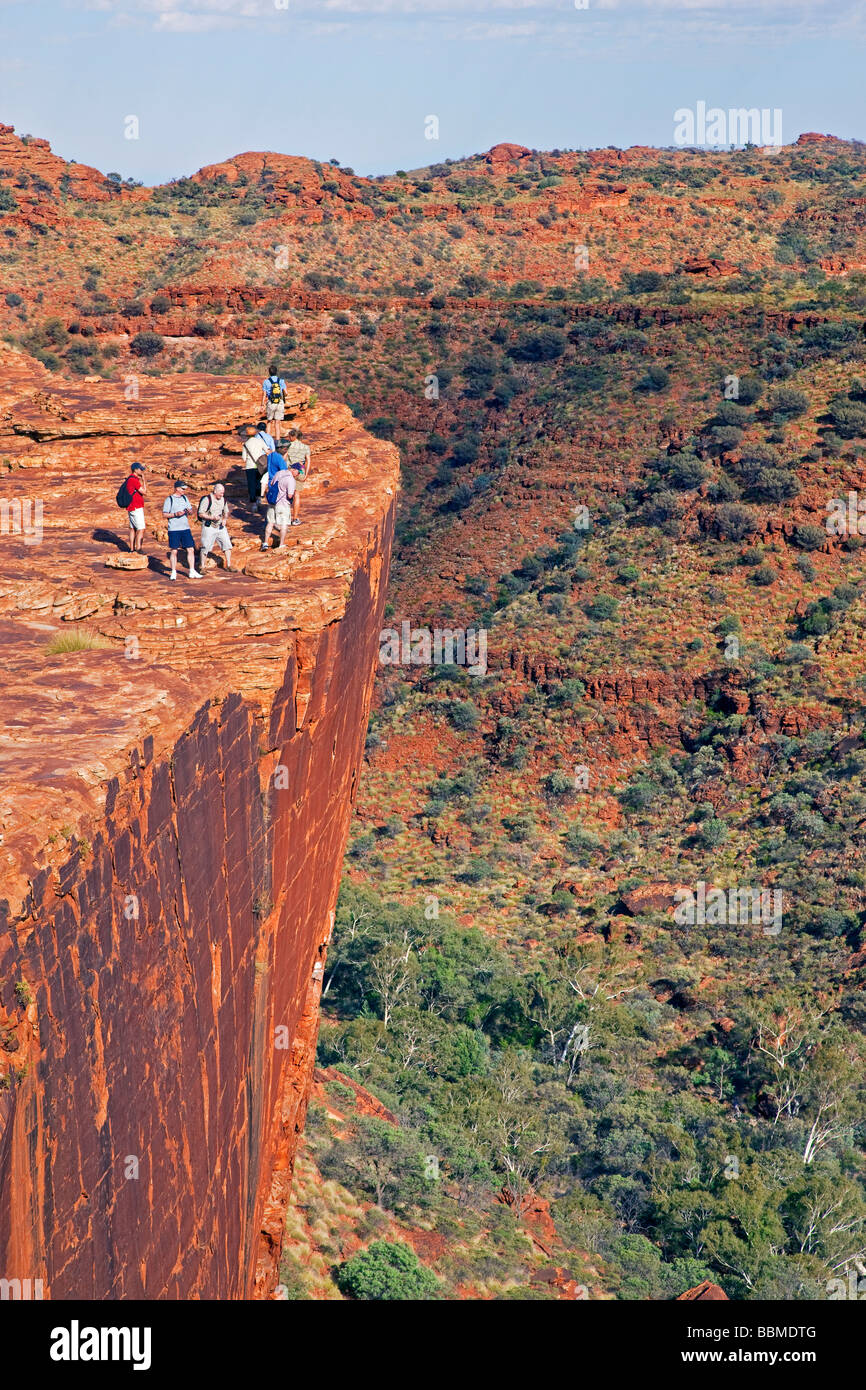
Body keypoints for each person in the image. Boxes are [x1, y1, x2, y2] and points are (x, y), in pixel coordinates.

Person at [162, 480, 200, 580]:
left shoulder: (184, 498)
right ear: (177, 488)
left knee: (190, 549)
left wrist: (190, 511)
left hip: (185, 528)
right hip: (174, 529)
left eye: (185, 489)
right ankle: (173, 572)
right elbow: (164, 514)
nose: (184, 490)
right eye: (183, 489)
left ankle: (192, 571)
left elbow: (190, 511)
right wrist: (175, 514)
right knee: (174, 551)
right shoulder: (169, 499)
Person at [197, 482, 232, 572]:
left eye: (223, 492)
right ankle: (202, 567)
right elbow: (200, 513)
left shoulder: (223, 500)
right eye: (220, 492)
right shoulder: (207, 499)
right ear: (215, 490)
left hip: (220, 526)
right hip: (209, 526)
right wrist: (211, 517)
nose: (222, 494)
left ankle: (229, 565)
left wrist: (224, 519)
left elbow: (226, 512)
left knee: (227, 545)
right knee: (205, 547)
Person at [262, 466, 295, 551]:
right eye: (298, 472)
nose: (298, 475)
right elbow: (290, 495)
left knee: (270, 523)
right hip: (282, 505)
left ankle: (265, 543)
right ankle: (281, 544)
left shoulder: (279, 473)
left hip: (272, 503)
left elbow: (272, 484)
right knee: (284, 524)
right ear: (293, 470)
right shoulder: (291, 479)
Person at [242, 422, 274, 506]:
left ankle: (253, 504)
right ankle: (259, 499)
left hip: (250, 466)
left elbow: (244, 458)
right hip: (261, 465)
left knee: (251, 484)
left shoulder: (245, 444)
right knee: (259, 482)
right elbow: (268, 451)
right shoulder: (260, 441)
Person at [285, 428, 311, 527]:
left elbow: (284, 458)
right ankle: (295, 519)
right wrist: (305, 474)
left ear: (293, 437)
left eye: (289, 436)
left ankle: (286, 518)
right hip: (300, 471)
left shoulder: (288, 446)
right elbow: (308, 461)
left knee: (286, 494)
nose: (288, 438)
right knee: (296, 495)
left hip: (289, 471)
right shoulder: (305, 447)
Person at [260, 365, 287, 445]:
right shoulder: (281, 381)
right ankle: (278, 442)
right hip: (279, 403)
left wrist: (262, 404)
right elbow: (286, 392)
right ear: (276, 372)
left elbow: (264, 394)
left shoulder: (266, 382)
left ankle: (268, 442)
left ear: (269, 372)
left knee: (269, 422)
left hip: (271, 403)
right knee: (277, 423)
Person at [125, 461, 147, 552]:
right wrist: (144, 480)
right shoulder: (134, 480)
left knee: (132, 528)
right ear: (135, 470)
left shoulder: (129, 479)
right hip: (136, 507)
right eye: (140, 469)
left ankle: (132, 549)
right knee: (141, 529)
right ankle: (138, 549)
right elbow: (144, 492)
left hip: (131, 506)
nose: (142, 471)